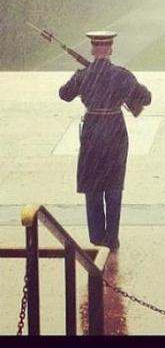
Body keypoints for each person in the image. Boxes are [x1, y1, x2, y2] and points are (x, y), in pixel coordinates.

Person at [58, 31, 152, 251]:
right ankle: (112, 238)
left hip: (92, 130)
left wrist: (82, 77)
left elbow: (64, 94)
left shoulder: (83, 75)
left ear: (92, 50)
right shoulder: (122, 76)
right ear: (111, 50)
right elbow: (146, 98)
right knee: (113, 185)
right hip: (114, 130)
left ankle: (97, 237)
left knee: (93, 186)